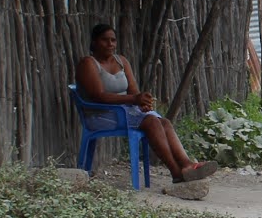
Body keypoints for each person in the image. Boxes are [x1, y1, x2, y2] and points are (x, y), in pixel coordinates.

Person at [75, 23, 217, 183]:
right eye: (104, 40)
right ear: (94, 42)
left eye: (113, 40)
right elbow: (98, 96)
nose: (110, 44)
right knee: (151, 122)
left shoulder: (121, 61)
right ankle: (176, 172)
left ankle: (187, 165)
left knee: (164, 122)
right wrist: (133, 100)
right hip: (101, 114)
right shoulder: (88, 64)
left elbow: (134, 92)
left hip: (125, 111)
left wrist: (142, 102)